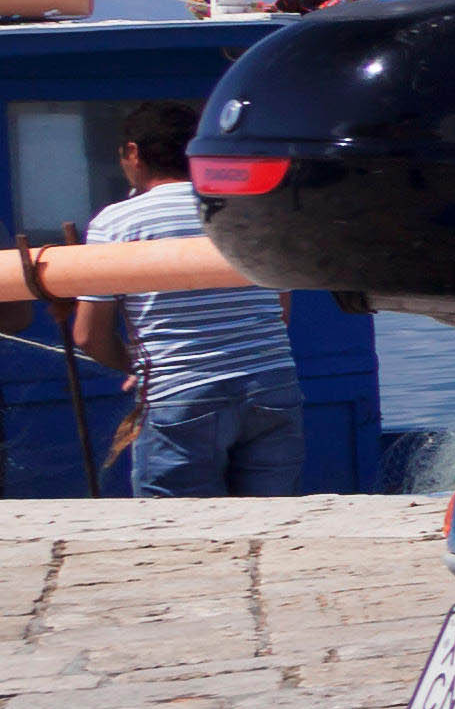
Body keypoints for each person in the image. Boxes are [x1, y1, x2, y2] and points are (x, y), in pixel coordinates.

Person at [73, 106, 299, 495]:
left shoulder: (117, 222)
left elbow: (87, 336)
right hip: (272, 384)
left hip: (181, 394)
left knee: (182, 531)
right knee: (270, 523)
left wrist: (139, 364)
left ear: (133, 153)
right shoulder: (249, 209)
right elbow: (279, 310)